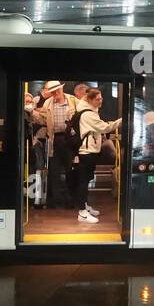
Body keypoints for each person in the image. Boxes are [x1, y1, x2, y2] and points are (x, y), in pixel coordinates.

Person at [74, 88, 121, 223]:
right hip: (87, 151)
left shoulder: (89, 111)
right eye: (97, 99)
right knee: (83, 181)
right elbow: (104, 128)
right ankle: (82, 212)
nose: (100, 101)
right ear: (89, 100)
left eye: (101, 98)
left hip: (90, 150)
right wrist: (120, 121)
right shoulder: (88, 114)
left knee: (86, 180)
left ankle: (85, 206)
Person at [33, 80, 80, 208]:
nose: (55, 93)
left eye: (56, 90)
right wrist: (32, 112)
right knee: (54, 170)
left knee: (70, 169)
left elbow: (81, 116)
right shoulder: (48, 102)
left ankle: (70, 200)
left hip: (70, 139)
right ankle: (57, 200)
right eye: (52, 91)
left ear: (61, 89)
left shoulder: (73, 100)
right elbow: (42, 118)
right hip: (54, 139)